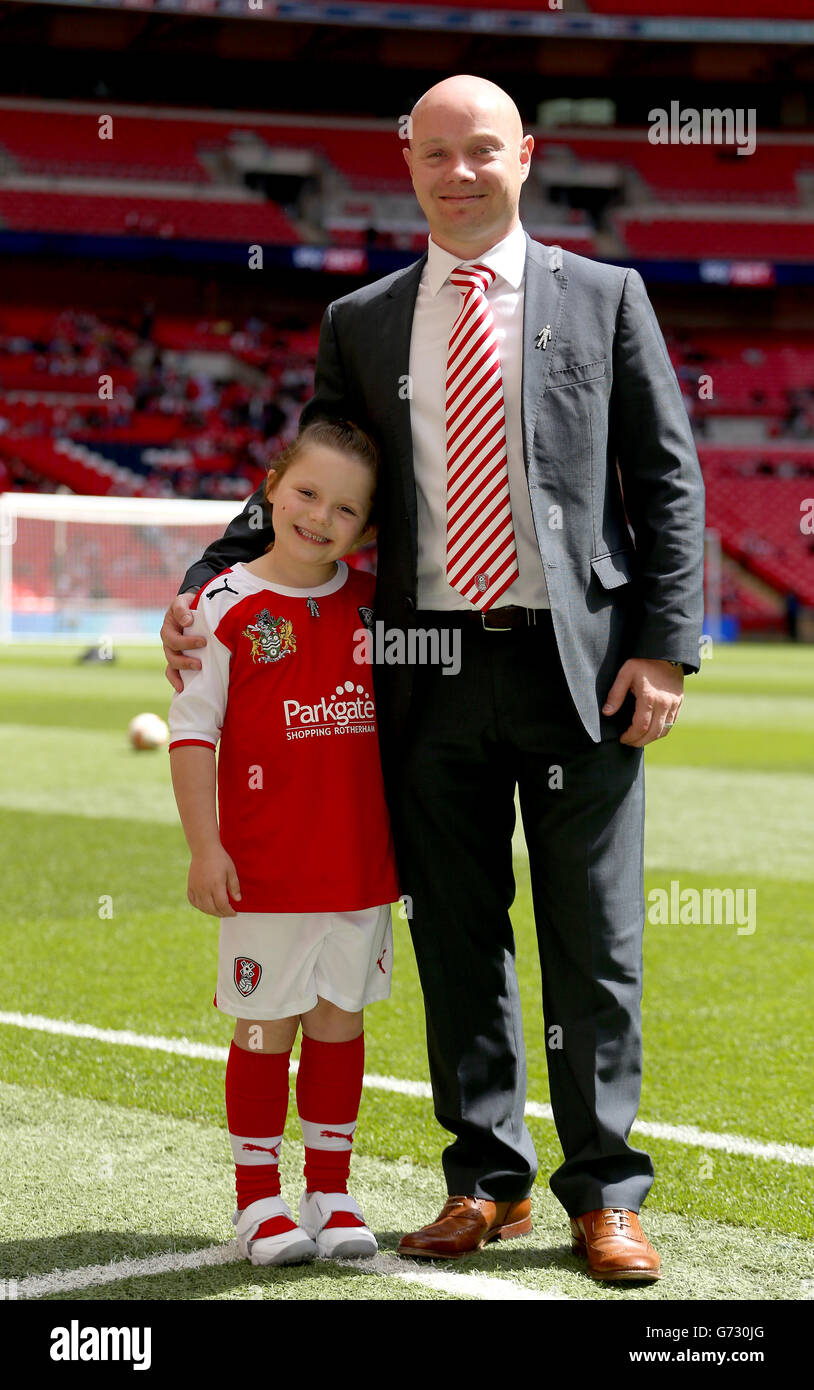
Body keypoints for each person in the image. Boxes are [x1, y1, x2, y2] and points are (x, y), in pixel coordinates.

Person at [162, 75, 705, 1283]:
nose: (459, 175)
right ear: (404, 159)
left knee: (593, 942)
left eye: (482, 152)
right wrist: (208, 570)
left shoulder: (606, 296)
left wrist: (664, 646)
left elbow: (665, 478)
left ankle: (604, 1193)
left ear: (526, 154)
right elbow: (309, 473)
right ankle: (486, 1181)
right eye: (435, 154)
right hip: (421, 668)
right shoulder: (360, 320)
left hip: (582, 669)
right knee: (456, 936)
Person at [167, 418, 400, 1267]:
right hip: (265, 869)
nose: (320, 517)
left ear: (367, 528)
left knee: (339, 1024)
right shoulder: (219, 609)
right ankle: (257, 1202)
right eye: (306, 492)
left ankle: (330, 1191)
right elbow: (193, 736)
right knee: (265, 1029)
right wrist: (206, 848)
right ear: (269, 488)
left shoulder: (377, 604)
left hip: (361, 868)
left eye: (346, 509)